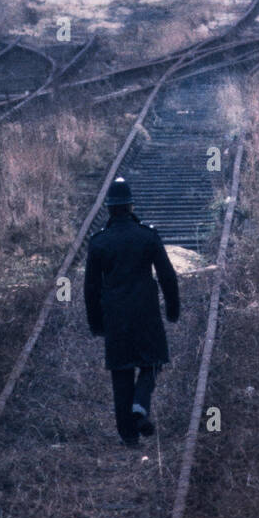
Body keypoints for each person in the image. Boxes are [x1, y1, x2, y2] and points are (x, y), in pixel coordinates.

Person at [83, 177, 180, 448]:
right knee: (152, 362)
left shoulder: (99, 243)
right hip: (146, 313)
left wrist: (96, 324)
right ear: (130, 205)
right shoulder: (147, 236)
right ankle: (140, 405)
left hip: (115, 318)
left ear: (109, 209)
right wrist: (173, 310)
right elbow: (168, 277)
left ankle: (129, 436)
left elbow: (90, 289)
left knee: (121, 373)